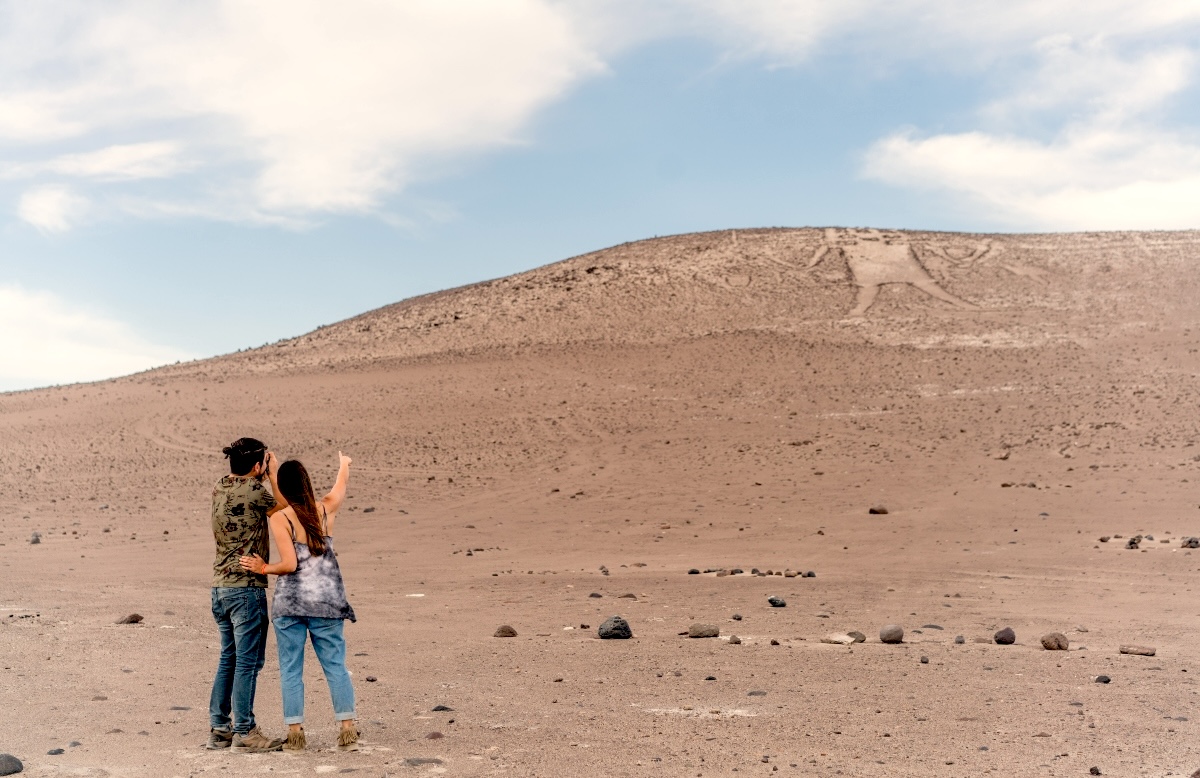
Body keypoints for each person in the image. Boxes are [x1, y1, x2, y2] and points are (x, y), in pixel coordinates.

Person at [240, 452, 359, 753]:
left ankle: (295, 734)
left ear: (283, 487)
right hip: (326, 603)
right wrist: (343, 464)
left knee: (291, 669)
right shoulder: (324, 510)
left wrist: (263, 568)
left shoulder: (281, 518)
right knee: (335, 666)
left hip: (290, 605)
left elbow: (289, 564)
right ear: (306, 483)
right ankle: (347, 730)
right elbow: (340, 486)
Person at [208, 437, 286, 753]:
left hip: (220, 588)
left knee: (229, 658)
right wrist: (274, 475)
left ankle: (220, 729)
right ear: (257, 466)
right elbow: (285, 509)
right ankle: (245, 731)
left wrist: (260, 472)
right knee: (247, 662)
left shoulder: (219, 486)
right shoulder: (255, 491)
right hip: (246, 589)